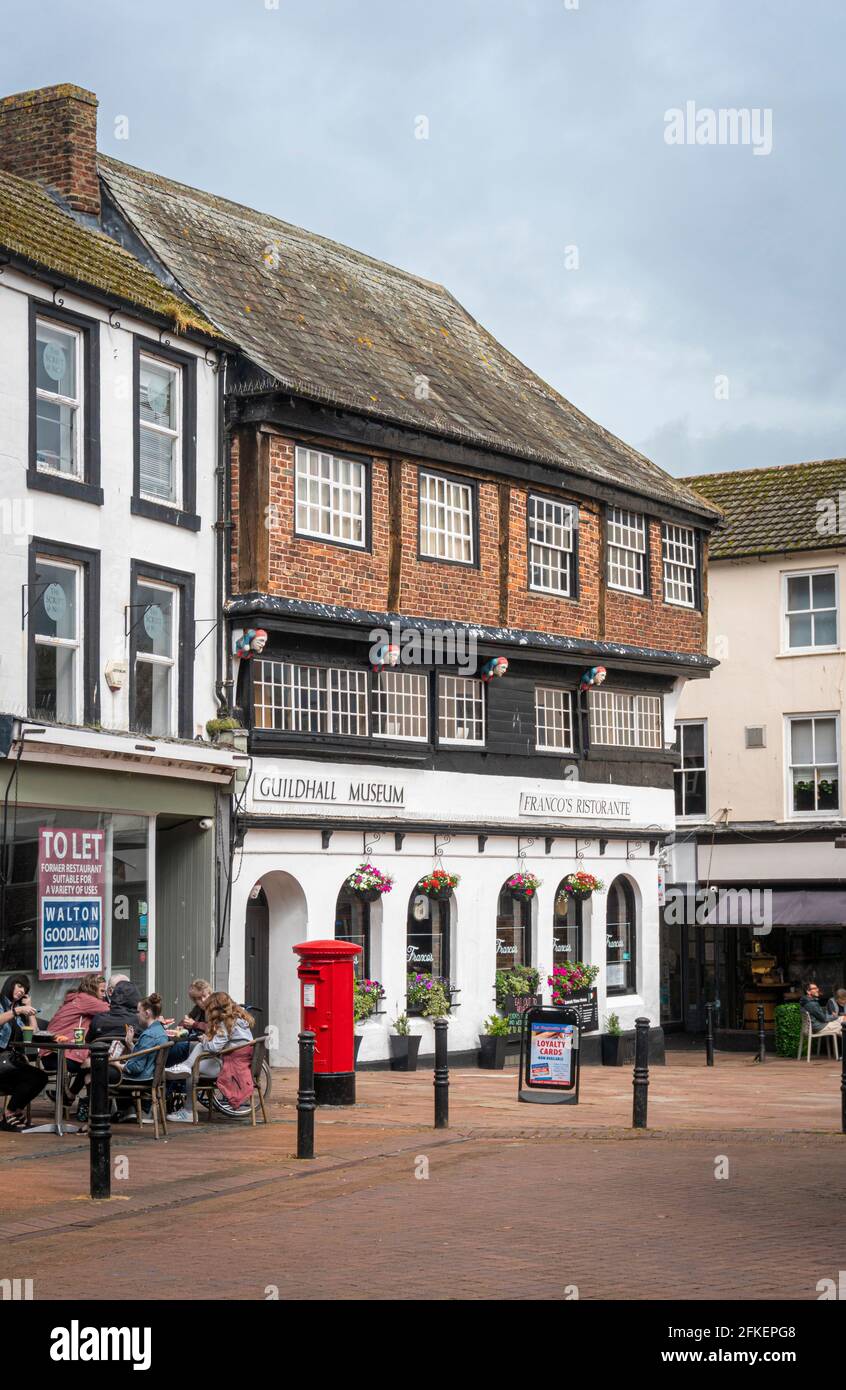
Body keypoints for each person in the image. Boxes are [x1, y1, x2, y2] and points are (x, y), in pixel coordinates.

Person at [165, 992, 254, 1123]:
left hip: (230, 1067)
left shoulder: (225, 1024)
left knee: (192, 1069)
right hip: (238, 1062)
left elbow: (213, 1048)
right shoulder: (239, 1019)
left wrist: (205, 1039)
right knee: (197, 1050)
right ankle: (185, 1066)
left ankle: (188, 1111)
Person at [41, 974, 110, 1100]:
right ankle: (91, 1107)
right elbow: (111, 1011)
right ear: (92, 989)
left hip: (51, 1052)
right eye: (102, 991)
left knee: (91, 1063)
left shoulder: (78, 998)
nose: (104, 995)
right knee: (96, 1063)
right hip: (57, 1055)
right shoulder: (86, 999)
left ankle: (70, 1096)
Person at [0, 974, 48, 1131]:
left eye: (25, 989)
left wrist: (30, 1011)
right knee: (31, 1077)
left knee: (40, 1077)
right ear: (10, 984)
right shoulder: (3, 1004)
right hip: (2, 1061)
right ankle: (9, 1114)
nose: (21, 991)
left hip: (9, 1061)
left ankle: (15, 1111)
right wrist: (17, 1010)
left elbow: (34, 1033)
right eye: (19, 986)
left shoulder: (17, 1011)